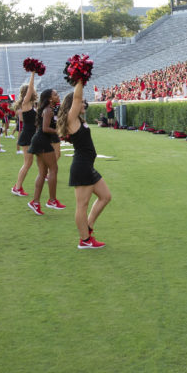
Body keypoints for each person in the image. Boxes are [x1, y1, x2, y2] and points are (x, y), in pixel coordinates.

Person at [61, 78, 111, 249]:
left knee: (105, 197)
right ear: (73, 105)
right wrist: (80, 80)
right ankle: (84, 240)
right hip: (81, 166)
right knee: (82, 205)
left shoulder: (79, 120)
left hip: (87, 166)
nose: (84, 104)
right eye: (82, 102)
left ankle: (87, 228)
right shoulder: (71, 119)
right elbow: (75, 98)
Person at [27, 88, 66, 214]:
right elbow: (45, 128)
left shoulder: (48, 109)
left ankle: (35, 202)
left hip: (40, 141)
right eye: (55, 94)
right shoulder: (48, 110)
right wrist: (59, 132)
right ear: (50, 98)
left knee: (42, 173)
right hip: (42, 141)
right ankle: (52, 200)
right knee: (53, 169)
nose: (57, 95)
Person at [11, 74, 38, 197]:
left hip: (32, 135)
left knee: (30, 163)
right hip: (28, 135)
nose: (33, 91)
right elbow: (31, 87)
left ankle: (18, 186)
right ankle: (17, 187)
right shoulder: (25, 103)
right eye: (30, 90)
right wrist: (33, 73)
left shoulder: (30, 104)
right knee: (27, 163)